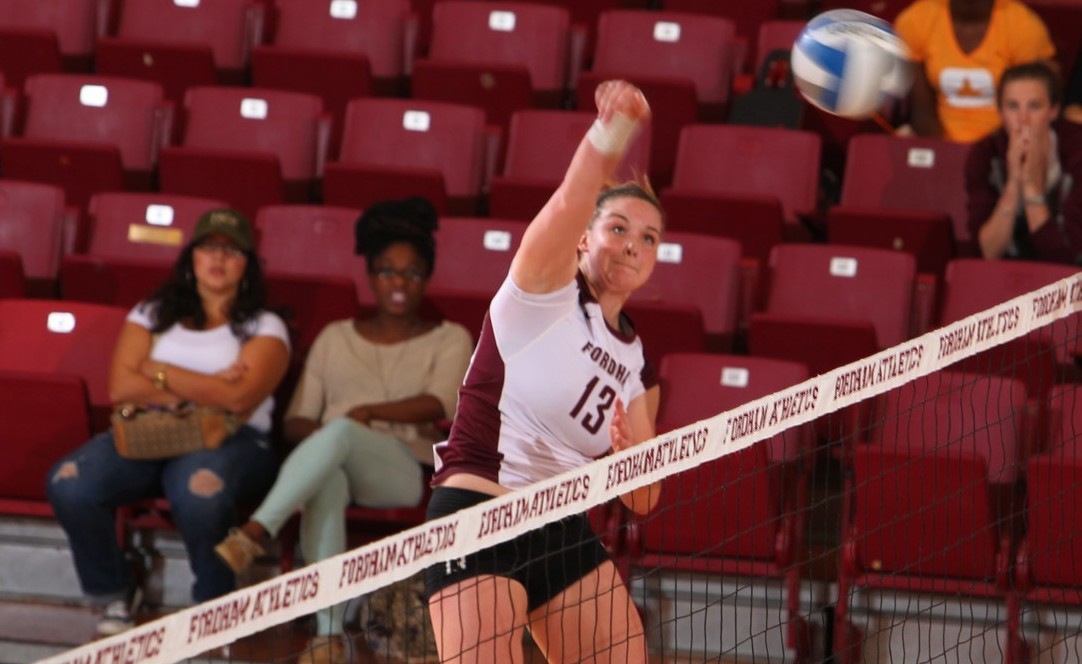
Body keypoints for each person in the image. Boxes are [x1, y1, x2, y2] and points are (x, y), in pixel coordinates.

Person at [423, 80, 662, 663]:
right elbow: (572, 195)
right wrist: (612, 131)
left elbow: (645, 499)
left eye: (649, 238)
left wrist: (632, 454)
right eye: (619, 229)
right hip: (478, 516)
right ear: (584, 237)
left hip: (559, 530)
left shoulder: (634, 361)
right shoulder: (540, 291)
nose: (633, 245)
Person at [213, 198, 473, 664]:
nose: (399, 282)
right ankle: (328, 635)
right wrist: (340, 431)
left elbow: (442, 403)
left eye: (412, 273)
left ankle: (257, 530)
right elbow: (295, 420)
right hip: (334, 461)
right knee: (328, 472)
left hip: (403, 469)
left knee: (340, 432)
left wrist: (365, 414)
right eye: (388, 270)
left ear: (426, 278)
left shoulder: (449, 337)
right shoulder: (335, 337)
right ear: (370, 275)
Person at [46, 209, 291, 636]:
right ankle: (114, 592)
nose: (218, 258)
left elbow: (239, 398)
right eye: (209, 247)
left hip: (231, 438)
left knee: (199, 493)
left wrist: (157, 370)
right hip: (149, 431)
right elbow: (122, 385)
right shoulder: (154, 311)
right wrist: (206, 385)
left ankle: (213, 608)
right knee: (69, 482)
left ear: (248, 264)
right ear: (191, 257)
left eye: (232, 251)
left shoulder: (264, 324)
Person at [966, 60, 1082, 263]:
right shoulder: (985, 155)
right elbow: (987, 252)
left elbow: (1066, 260)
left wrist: (1031, 189)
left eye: (1034, 106)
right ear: (1000, 112)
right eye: (1013, 106)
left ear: (1053, 110)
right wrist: (1013, 183)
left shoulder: (1077, 151)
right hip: (1005, 278)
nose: (1023, 119)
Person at [895, 0, 1055, 143]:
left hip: (1006, 143)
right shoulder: (915, 20)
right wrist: (945, 155)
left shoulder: (1023, 25)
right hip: (940, 142)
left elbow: (1033, 110)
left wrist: (990, 156)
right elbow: (921, 109)